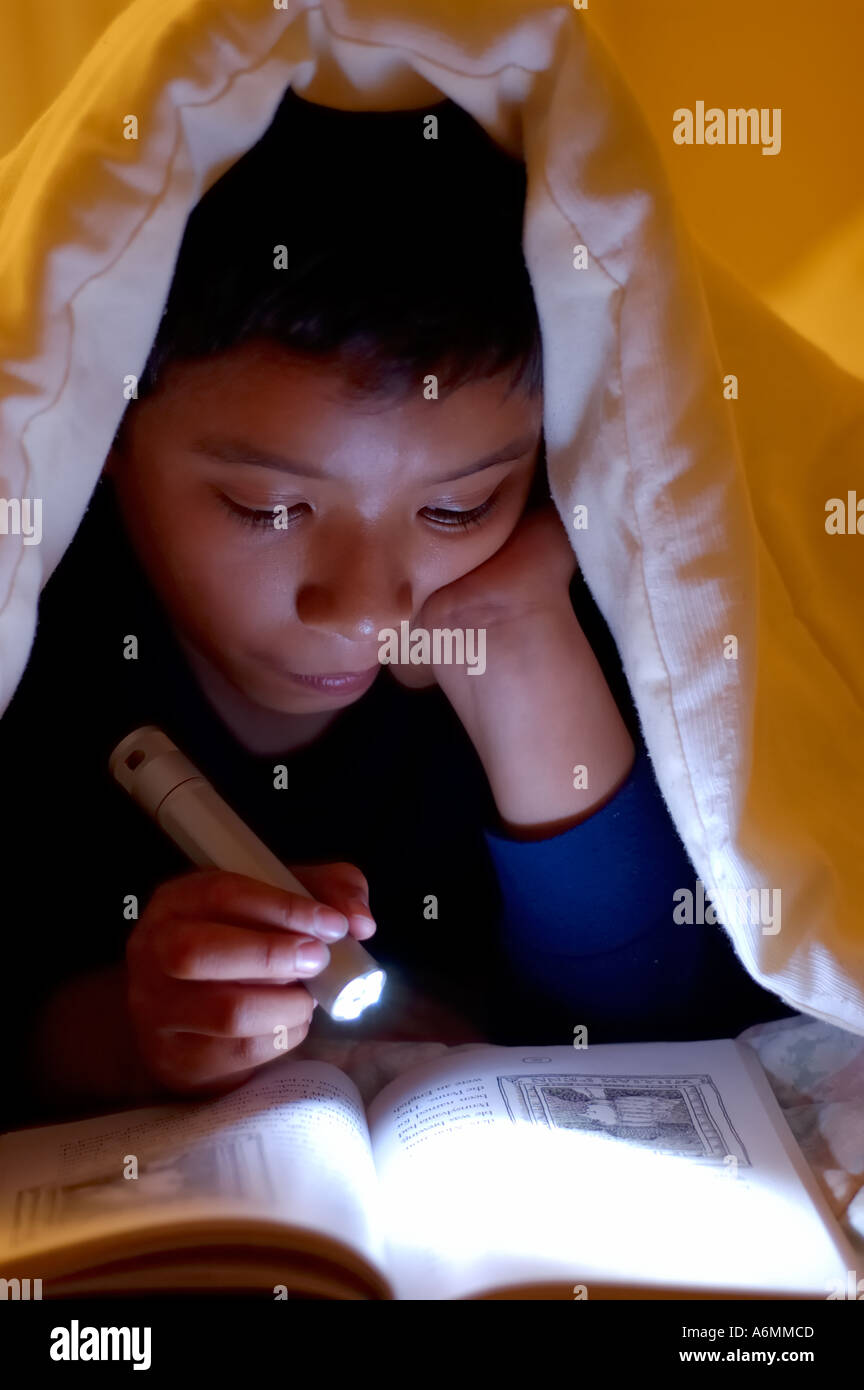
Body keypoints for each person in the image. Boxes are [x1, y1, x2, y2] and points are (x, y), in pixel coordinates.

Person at [0, 90, 796, 1131]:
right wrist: (130, 1029)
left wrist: (518, 643)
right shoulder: (39, 641)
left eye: (457, 503)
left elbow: (666, 1020)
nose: (367, 607)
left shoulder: (581, 604)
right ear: (100, 427)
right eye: (270, 507)